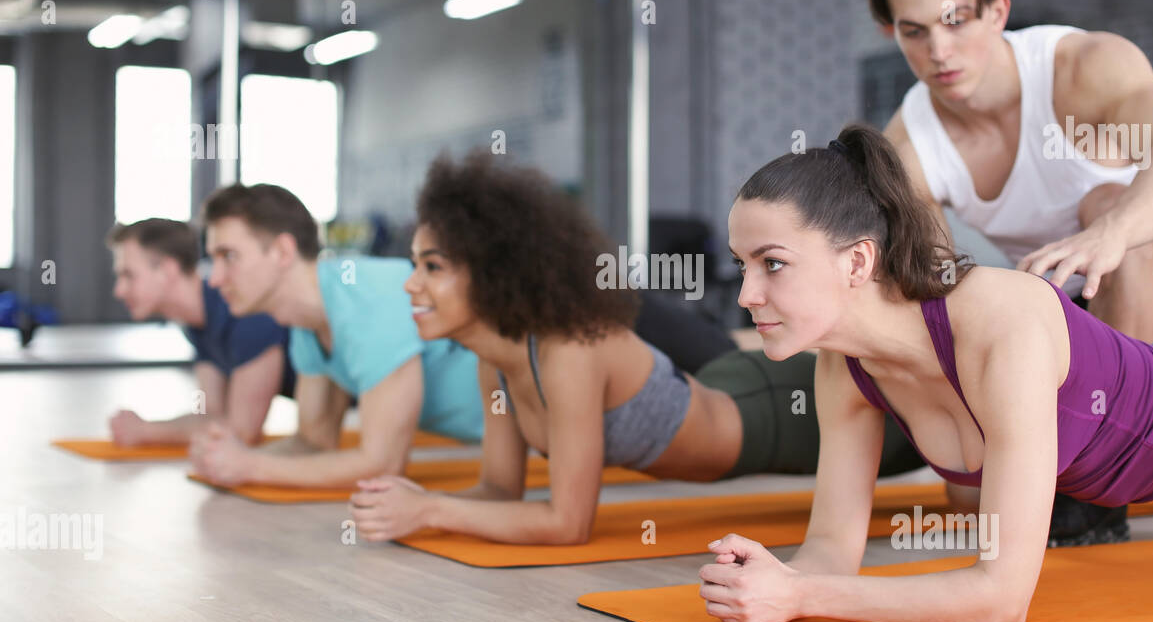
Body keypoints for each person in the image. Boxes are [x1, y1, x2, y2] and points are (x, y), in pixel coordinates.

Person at [697, 124, 1153, 622]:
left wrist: (801, 596)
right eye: (741, 265)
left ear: (857, 261)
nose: (747, 294)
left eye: (772, 263)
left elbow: (1001, 599)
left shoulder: (1002, 322)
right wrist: (773, 578)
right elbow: (831, 550)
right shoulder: (844, 367)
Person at [866, 0, 1153, 544]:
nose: (939, 51)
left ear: (998, 11)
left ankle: (1103, 489)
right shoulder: (910, 142)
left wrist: (1113, 232)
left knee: (1104, 202)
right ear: (893, 31)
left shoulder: (1081, 67)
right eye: (915, 31)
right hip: (1071, 312)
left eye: (956, 21)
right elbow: (933, 286)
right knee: (970, 498)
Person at [348, 151, 824, 545]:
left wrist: (431, 509)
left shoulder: (567, 352)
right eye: (415, 264)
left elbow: (567, 525)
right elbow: (498, 490)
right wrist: (413, 502)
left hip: (777, 411)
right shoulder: (496, 363)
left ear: (492, 272)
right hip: (729, 382)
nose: (410, 284)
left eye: (432, 267)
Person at [188, 183, 483, 489]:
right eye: (213, 259)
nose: (215, 279)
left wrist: (249, 465)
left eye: (228, 256)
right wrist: (226, 457)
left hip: (518, 434)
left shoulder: (368, 297)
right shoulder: (308, 321)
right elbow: (313, 443)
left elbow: (383, 466)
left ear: (283, 252)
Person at [105, 218, 294, 446]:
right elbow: (207, 412)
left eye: (128, 275)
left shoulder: (244, 312)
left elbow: (243, 431)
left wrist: (147, 431)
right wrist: (146, 428)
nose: (118, 290)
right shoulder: (195, 325)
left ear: (167, 269)